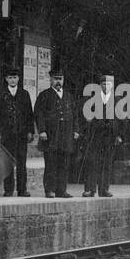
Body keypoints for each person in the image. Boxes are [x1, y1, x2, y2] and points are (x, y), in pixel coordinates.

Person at [35, 65, 79, 198]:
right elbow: (39, 114)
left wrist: (76, 130)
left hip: (65, 135)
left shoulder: (69, 96)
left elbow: (75, 114)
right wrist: (42, 130)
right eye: (55, 79)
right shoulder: (44, 95)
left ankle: (62, 190)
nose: (58, 82)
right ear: (51, 80)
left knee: (64, 164)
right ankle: (50, 190)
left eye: (60, 79)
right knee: (51, 164)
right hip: (50, 135)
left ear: (63, 80)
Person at [0, 69, 35, 197]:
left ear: (18, 79)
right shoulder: (0, 94)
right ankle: (8, 190)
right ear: (6, 79)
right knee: (8, 162)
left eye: (15, 77)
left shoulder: (24, 94)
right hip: (7, 133)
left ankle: (22, 189)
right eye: (10, 77)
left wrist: (30, 131)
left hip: (21, 134)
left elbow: (29, 114)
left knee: (22, 162)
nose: (13, 80)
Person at [82, 73, 121, 198]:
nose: (106, 86)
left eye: (108, 84)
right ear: (100, 85)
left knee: (107, 163)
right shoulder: (93, 99)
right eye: (103, 84)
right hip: (96, 135)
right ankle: (90, 189)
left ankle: (104, 189)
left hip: (110, 136)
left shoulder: (117, 100)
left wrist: (119, 135)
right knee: (92, 162)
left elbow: (122, 119)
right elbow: (86, 116)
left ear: (112, 85)